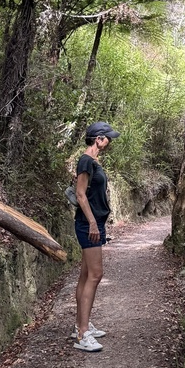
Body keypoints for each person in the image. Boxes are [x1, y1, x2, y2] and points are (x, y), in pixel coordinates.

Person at [73, 120, 119, 352]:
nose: (110, 141)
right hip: (88, 224)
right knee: (96, 274)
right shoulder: (85, 161)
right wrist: (92, 223)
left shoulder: (91, 161)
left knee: (85, 274)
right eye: (108, 137)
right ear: (98, 139)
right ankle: (83, 334)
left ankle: (81, 324)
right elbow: (81, 195)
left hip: (93, 222)